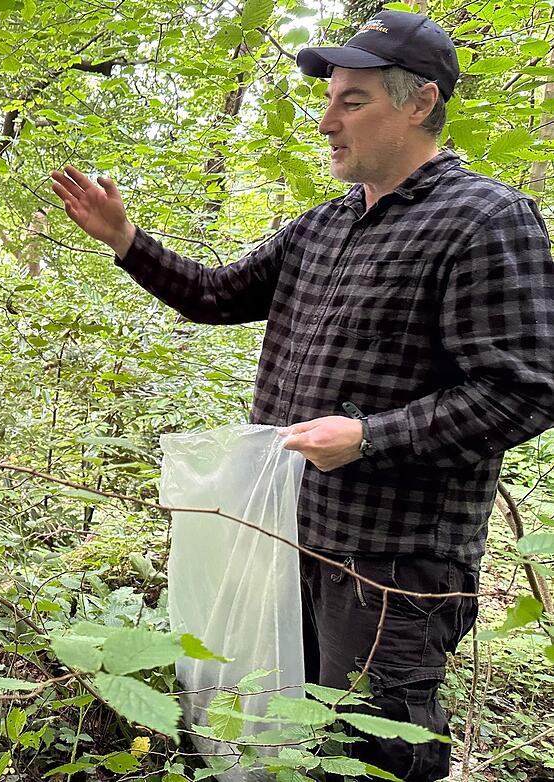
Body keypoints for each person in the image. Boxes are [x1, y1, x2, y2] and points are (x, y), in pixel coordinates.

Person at [50, 10, 554, 782]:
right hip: (293, 537)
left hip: (393, 562)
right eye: (330, 101)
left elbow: (522, 391)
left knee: (380, 750)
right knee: (298, 740)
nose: (327, 122)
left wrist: (370, 435)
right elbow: (216, 296)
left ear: (420, 104)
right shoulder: (323, 226)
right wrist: (126, 240)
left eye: (352, 102)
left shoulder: (484, 220)